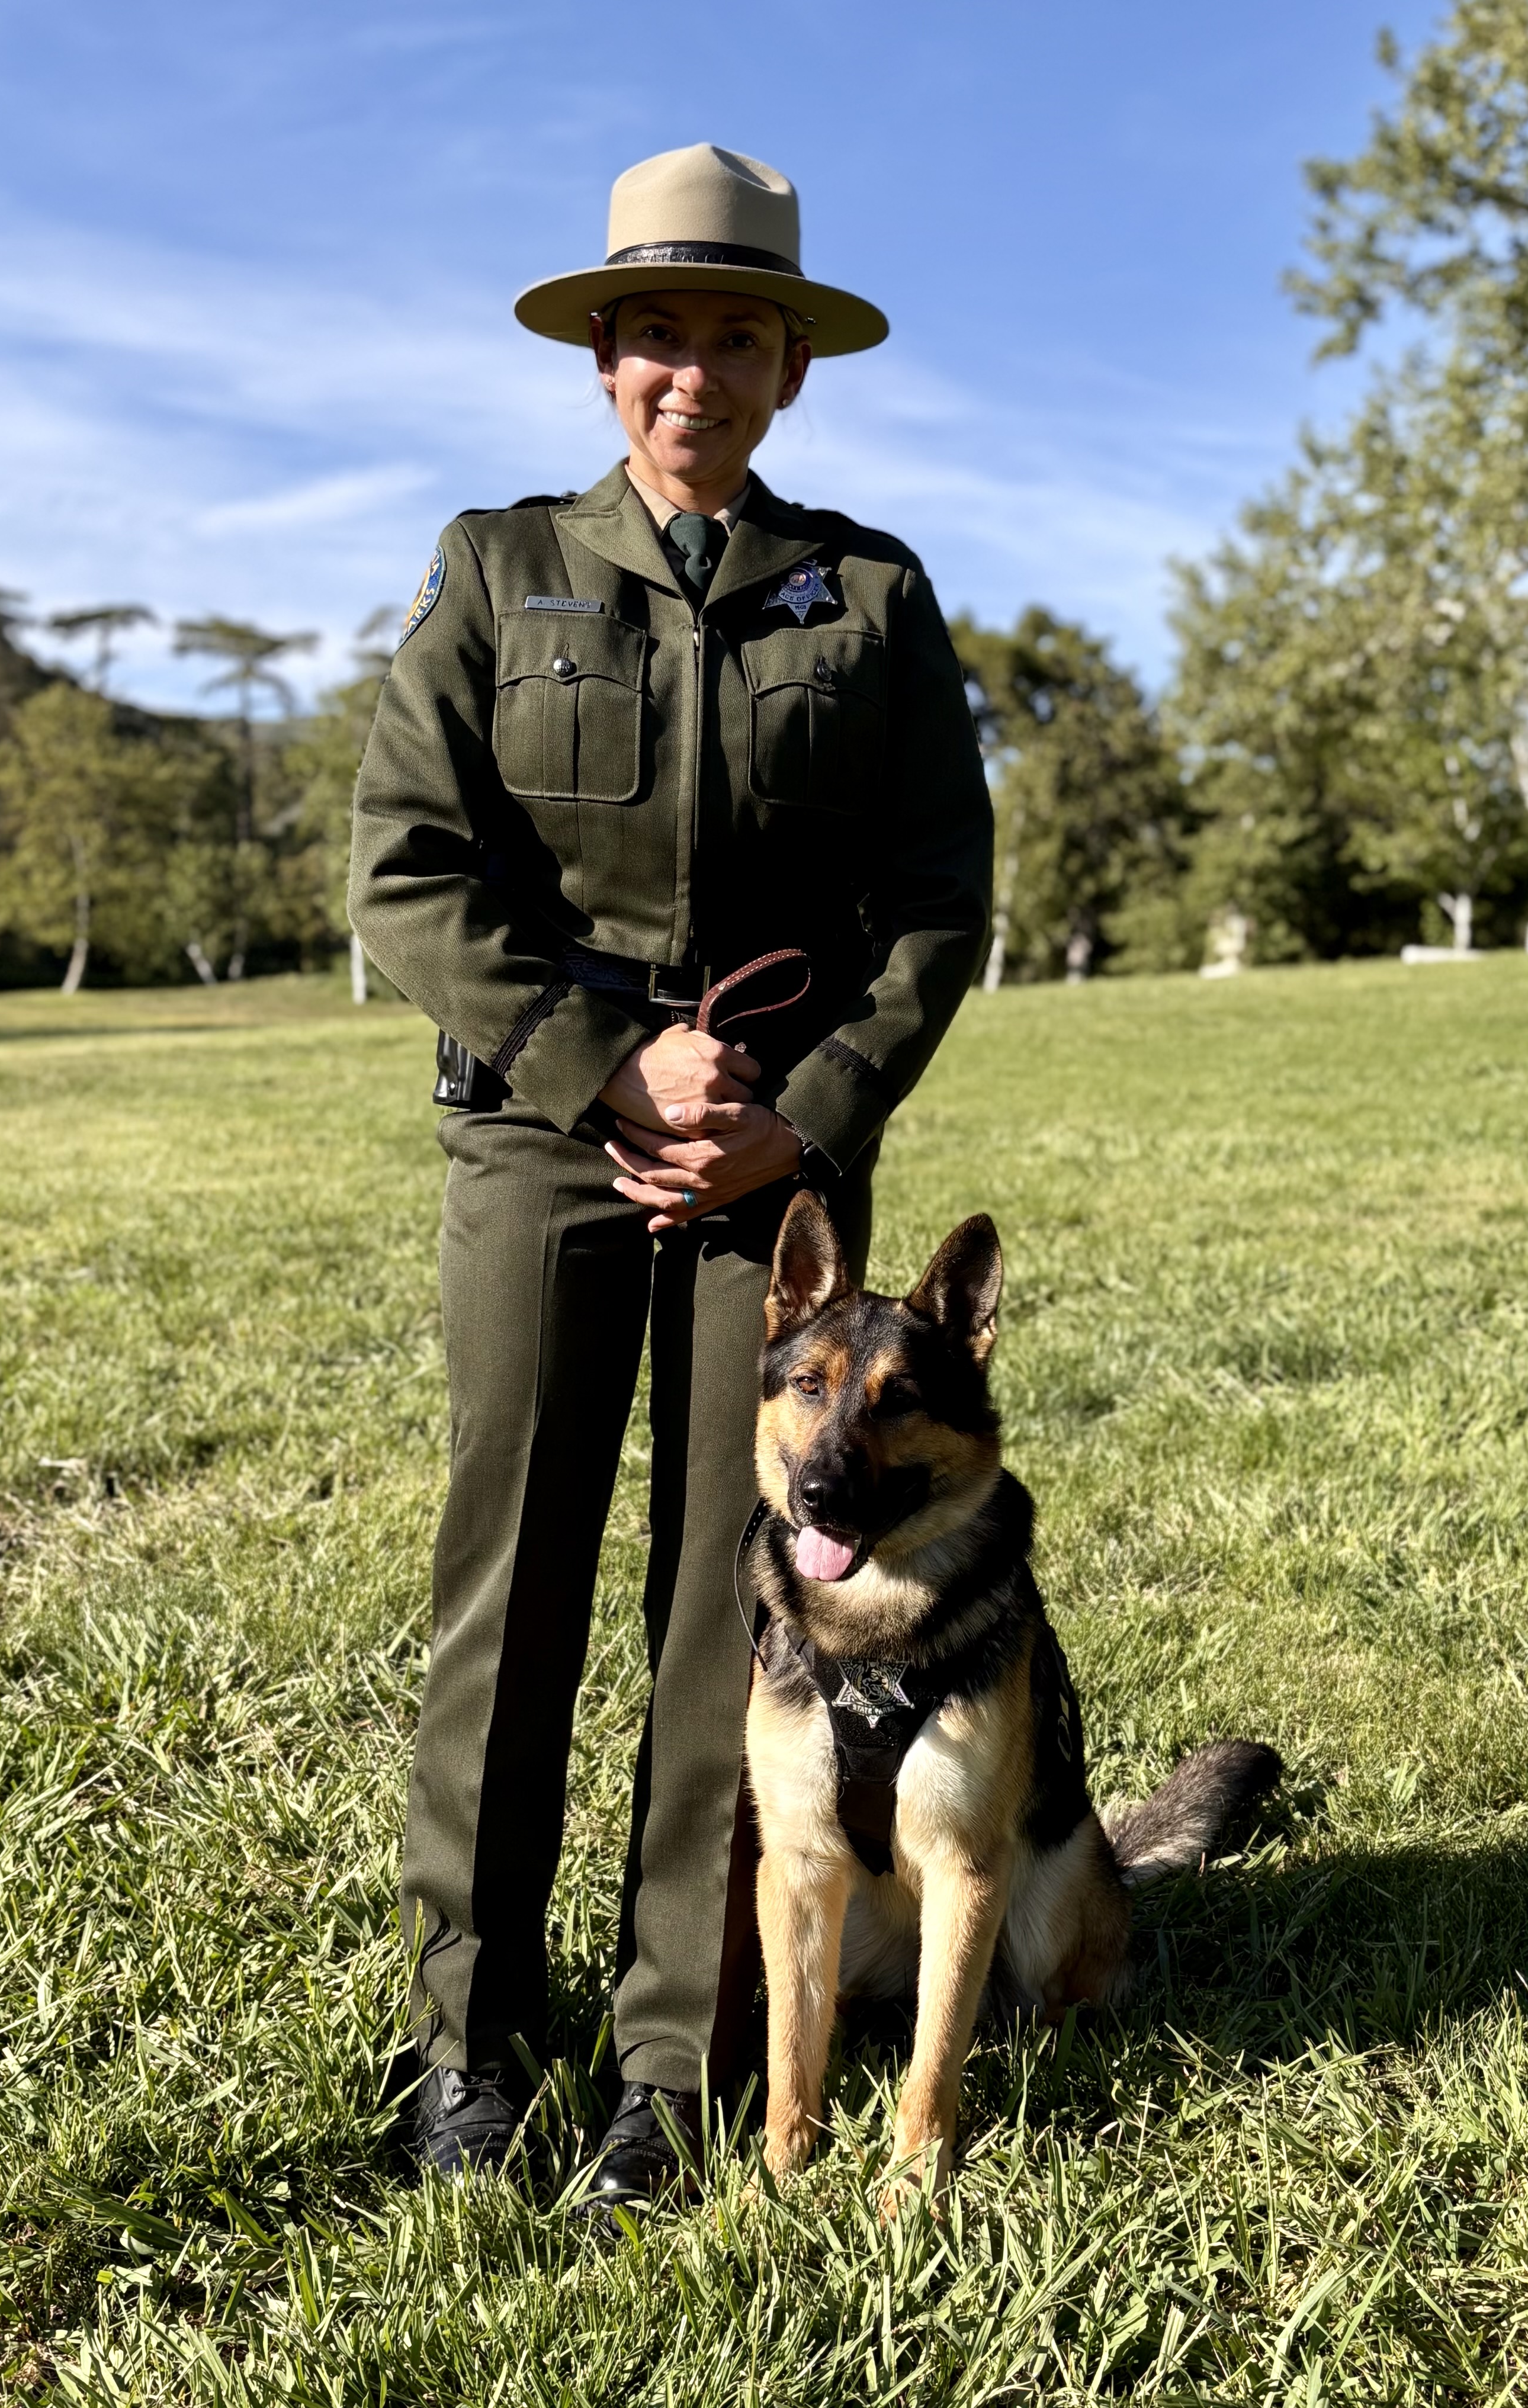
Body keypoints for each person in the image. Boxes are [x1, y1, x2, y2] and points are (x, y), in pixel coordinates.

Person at [348, 141, 992, 2214]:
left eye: (735, 334)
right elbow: (404, 867)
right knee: (510, 1582)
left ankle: (673, 2054)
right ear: (600, 354)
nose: (689, 373)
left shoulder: (870, 597)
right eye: (654, 333)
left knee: (757, 1598)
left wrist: (797, 1110)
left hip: (777, 1180)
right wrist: (608, 1065)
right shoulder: (493, 569)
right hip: (546, 1140)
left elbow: (933, 903)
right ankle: (466, 2036)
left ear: (788, 367)